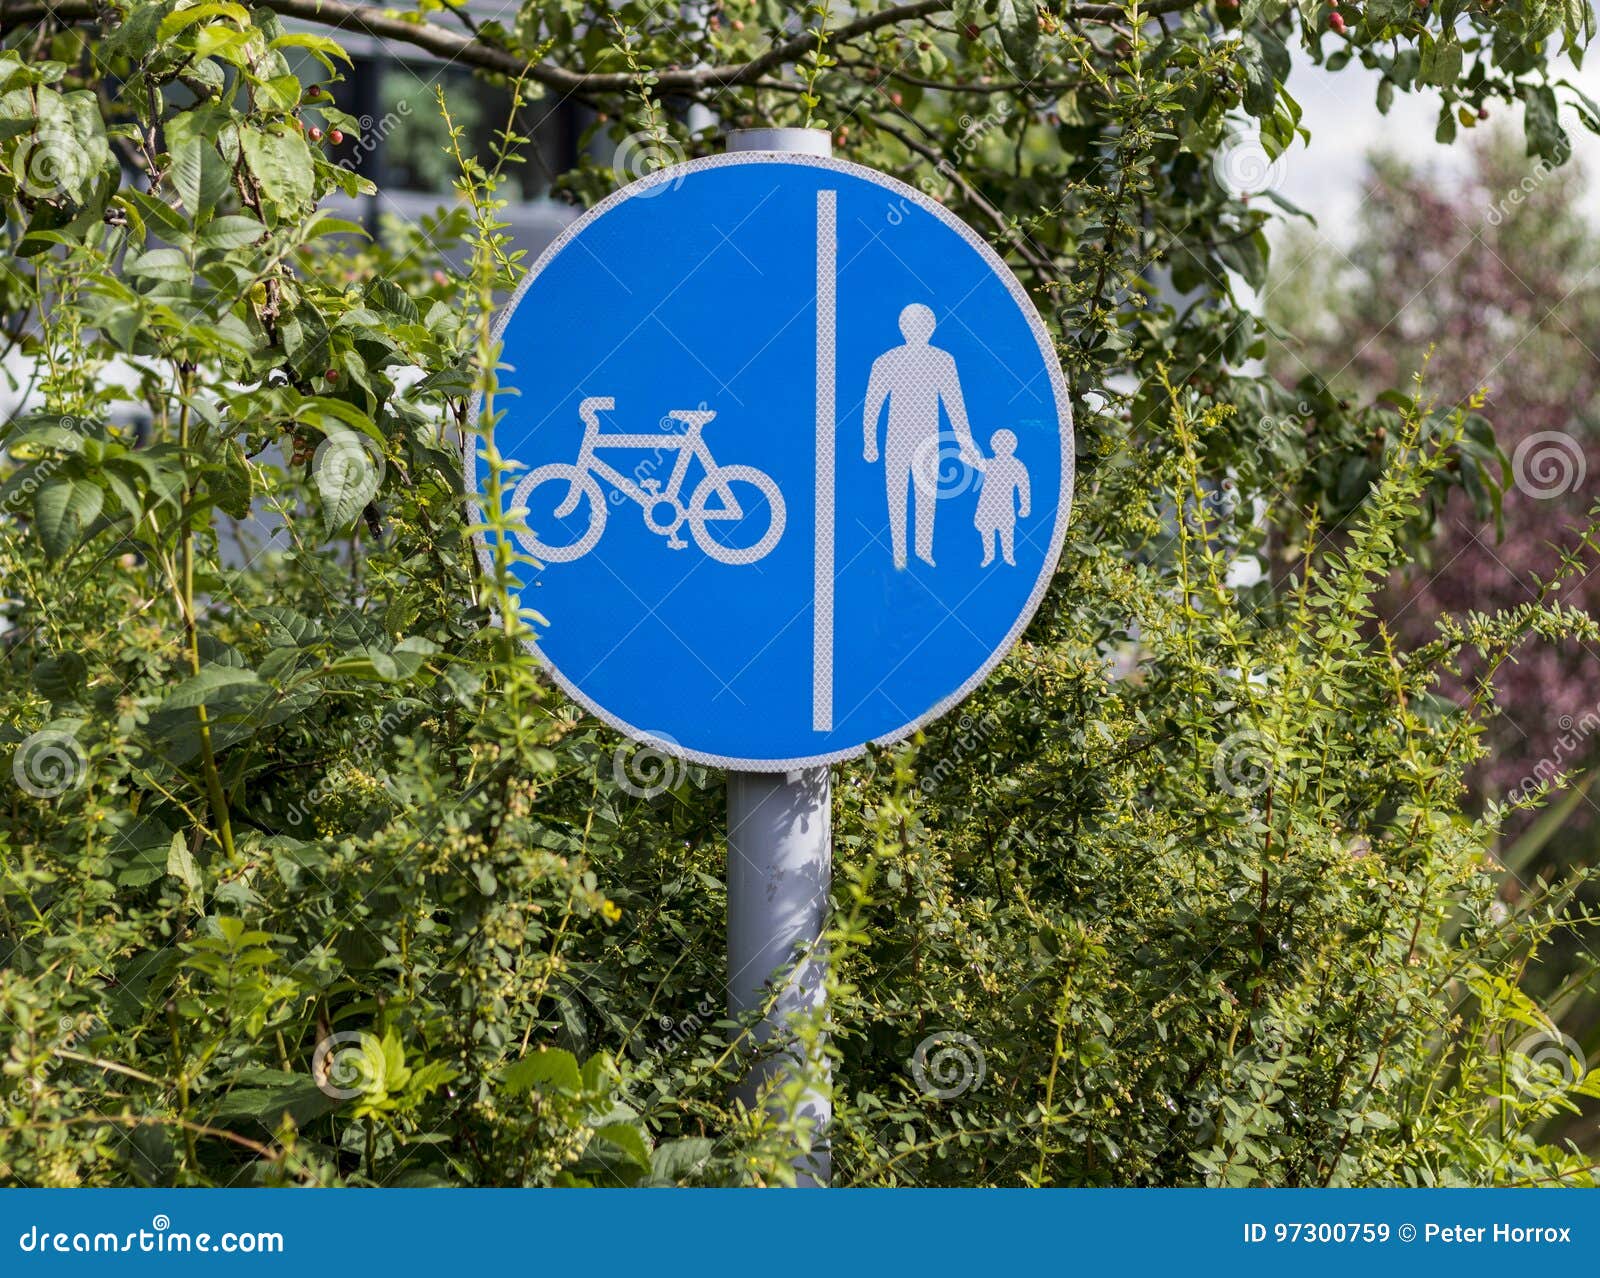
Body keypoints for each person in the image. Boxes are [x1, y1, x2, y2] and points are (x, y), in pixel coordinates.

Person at [863, 303, 981, 569]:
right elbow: (872, 405)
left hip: (929, 439)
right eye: (912, 325)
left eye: (923, 325)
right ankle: (899, 553)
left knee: (926, 495)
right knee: (896, 495)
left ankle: (924, 551)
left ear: (932, 328)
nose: (918, 330)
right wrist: (869, 441)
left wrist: (965, 443)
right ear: (902, 328)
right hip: (896, 438)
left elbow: (955, 405)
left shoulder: (943, 360)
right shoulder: (886, 361)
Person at [974, 428, 1029, 567]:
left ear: (1013, 446)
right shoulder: (989, 463)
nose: (1001, 447)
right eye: (998, 444)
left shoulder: (1017, 466)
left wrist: (1025, 505)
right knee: (987, 530)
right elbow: (974, 462)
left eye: (1005, 444)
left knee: (1006, 530)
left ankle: (1008, 556)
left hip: (1005, 505)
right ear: (993, 446)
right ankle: (989, 556)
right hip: (987, 504)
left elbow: (1024, 487)